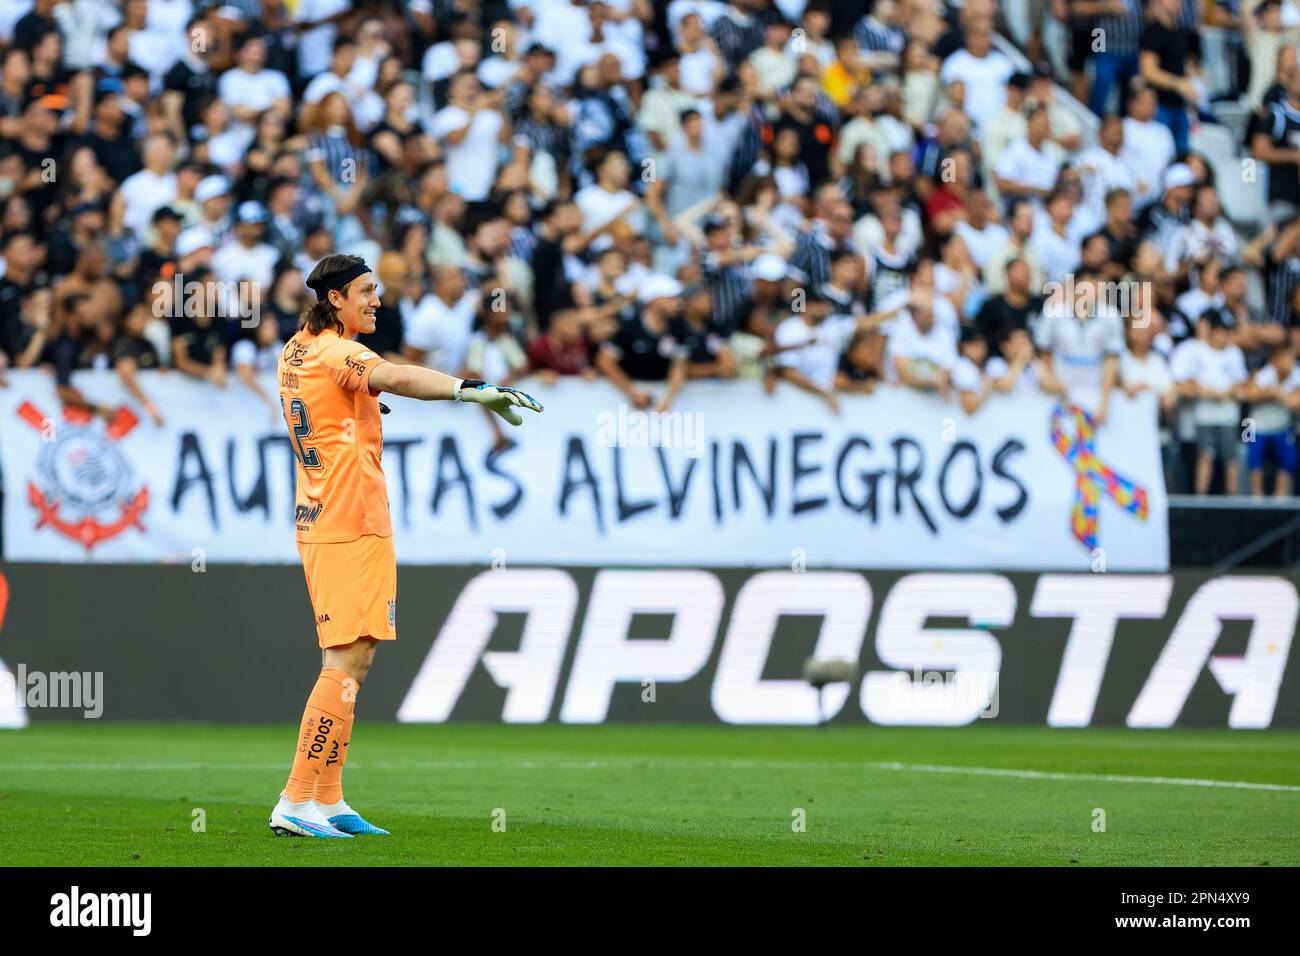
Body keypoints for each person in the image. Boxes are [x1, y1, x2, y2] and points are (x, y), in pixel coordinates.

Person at [270, 254, 542, 839]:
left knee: (356, 661)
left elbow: (346, 396)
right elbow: (394, 375)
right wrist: (471, 389)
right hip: (346, 521)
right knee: (343, 663)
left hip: (339, 514)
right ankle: (295, 800)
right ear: (336, 298)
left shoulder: (299, 347)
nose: (377, 300)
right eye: (366, 292)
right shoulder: (339, 352)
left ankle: (328, 798)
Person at [1245, 343, 1300, 496]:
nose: (1289, 361)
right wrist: (1273, 393)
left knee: (1290, 459)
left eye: (1291, 357)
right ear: (1274, 360)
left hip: (1281, 425)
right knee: (1253, 457)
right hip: (1255, 424)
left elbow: (1295, 403)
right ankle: (1257, 496)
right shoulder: (1265, 374)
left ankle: (1280, 496)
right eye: (1284, 357)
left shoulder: (1296, 374)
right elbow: (1249, 395)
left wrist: (1275, 393)